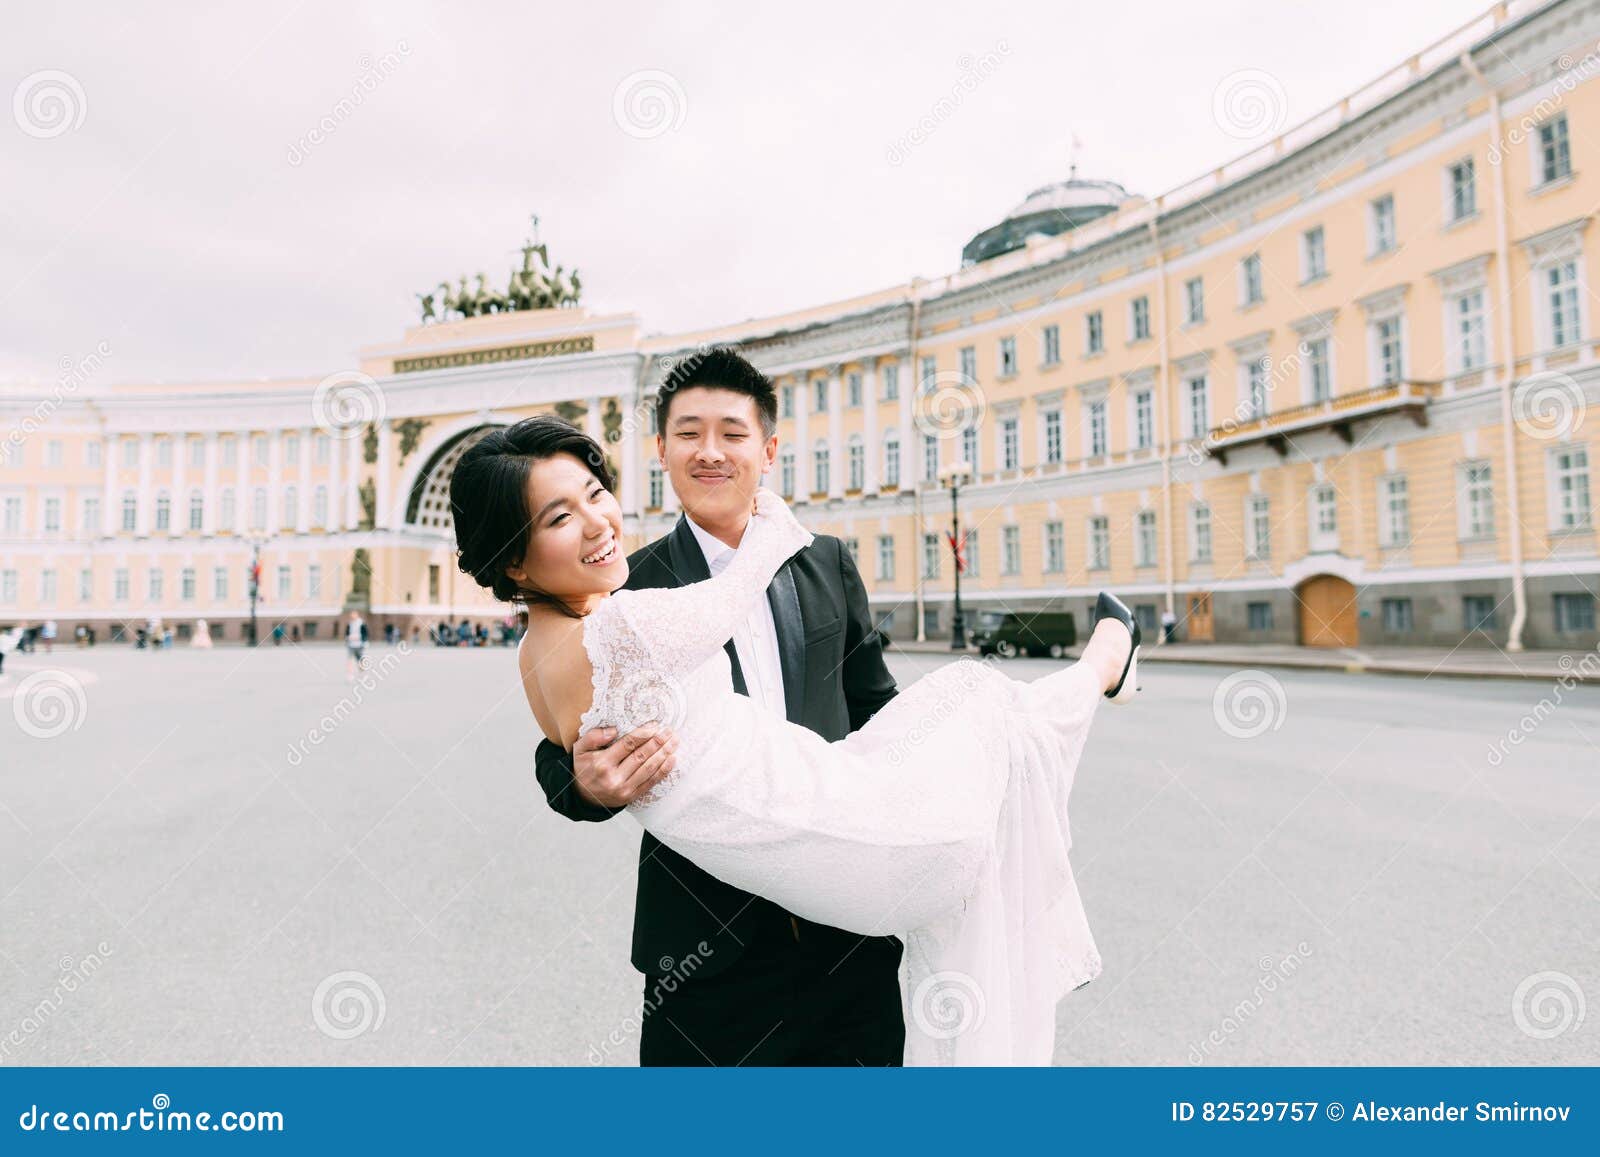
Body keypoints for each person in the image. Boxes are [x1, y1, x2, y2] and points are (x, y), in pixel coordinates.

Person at [456, 412, 1139, 1066]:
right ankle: (1104, 662)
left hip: (842, 900)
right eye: (559, 516)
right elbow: (566, 757)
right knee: (983, 704)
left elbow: (876, 702)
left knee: (975, 711)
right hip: (728, 945)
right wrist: (582, 781)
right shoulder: (631, 597)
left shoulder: (546, 644)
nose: (596, 522)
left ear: (767, 446)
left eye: (596, 493)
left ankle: (1102, 666)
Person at [344, 610, 367, 678]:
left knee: (360, 660)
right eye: (351, 615)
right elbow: (347, 633)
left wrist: (360, 639)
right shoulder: (350, 624)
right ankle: (350, 674)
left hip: (359, 645)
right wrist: (348, 638)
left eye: (354, 614)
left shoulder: (361, 623)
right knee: (350, 660)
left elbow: (365, 634)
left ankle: (362, 672)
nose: (352, 616)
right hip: (351, 645)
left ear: (357, 615)